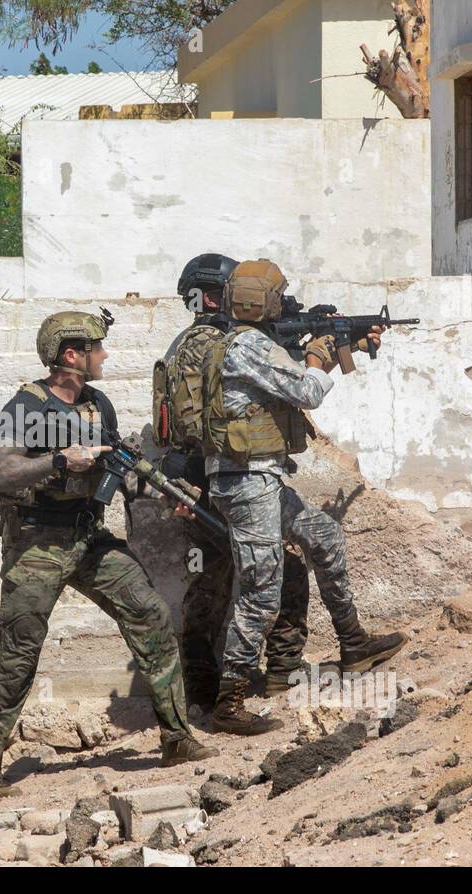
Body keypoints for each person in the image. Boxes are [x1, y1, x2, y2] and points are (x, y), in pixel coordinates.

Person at [0, 310, 217, 800]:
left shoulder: (99, 405)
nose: (105, 356)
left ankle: (177, 738)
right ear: (70, 356)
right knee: (18, 656)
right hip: (36, 544)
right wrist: (59, 460)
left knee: (151, 614)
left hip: (88, 537)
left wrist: (161, 493)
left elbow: (118, 472)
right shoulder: (25, 406)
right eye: (97, 348)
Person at [200, 260, 407, 733]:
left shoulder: (252, 342)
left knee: (325, 535)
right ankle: (229, 702)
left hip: (261, 479)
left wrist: (338, 345)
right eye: (276, 296)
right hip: (247, 482)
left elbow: (293, 374)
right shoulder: (248, 346)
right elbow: (307, 391)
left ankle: (353, 643)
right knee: (261, 590)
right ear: (264, 301)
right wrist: (318, 357)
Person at [153, 253, 312, 713]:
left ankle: (206, 686)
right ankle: (277, 674)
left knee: (213, 575)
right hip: (215, 475)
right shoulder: (215, 344)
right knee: (269, 571)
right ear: (211, 296)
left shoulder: (192, 341)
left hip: (197, 475)